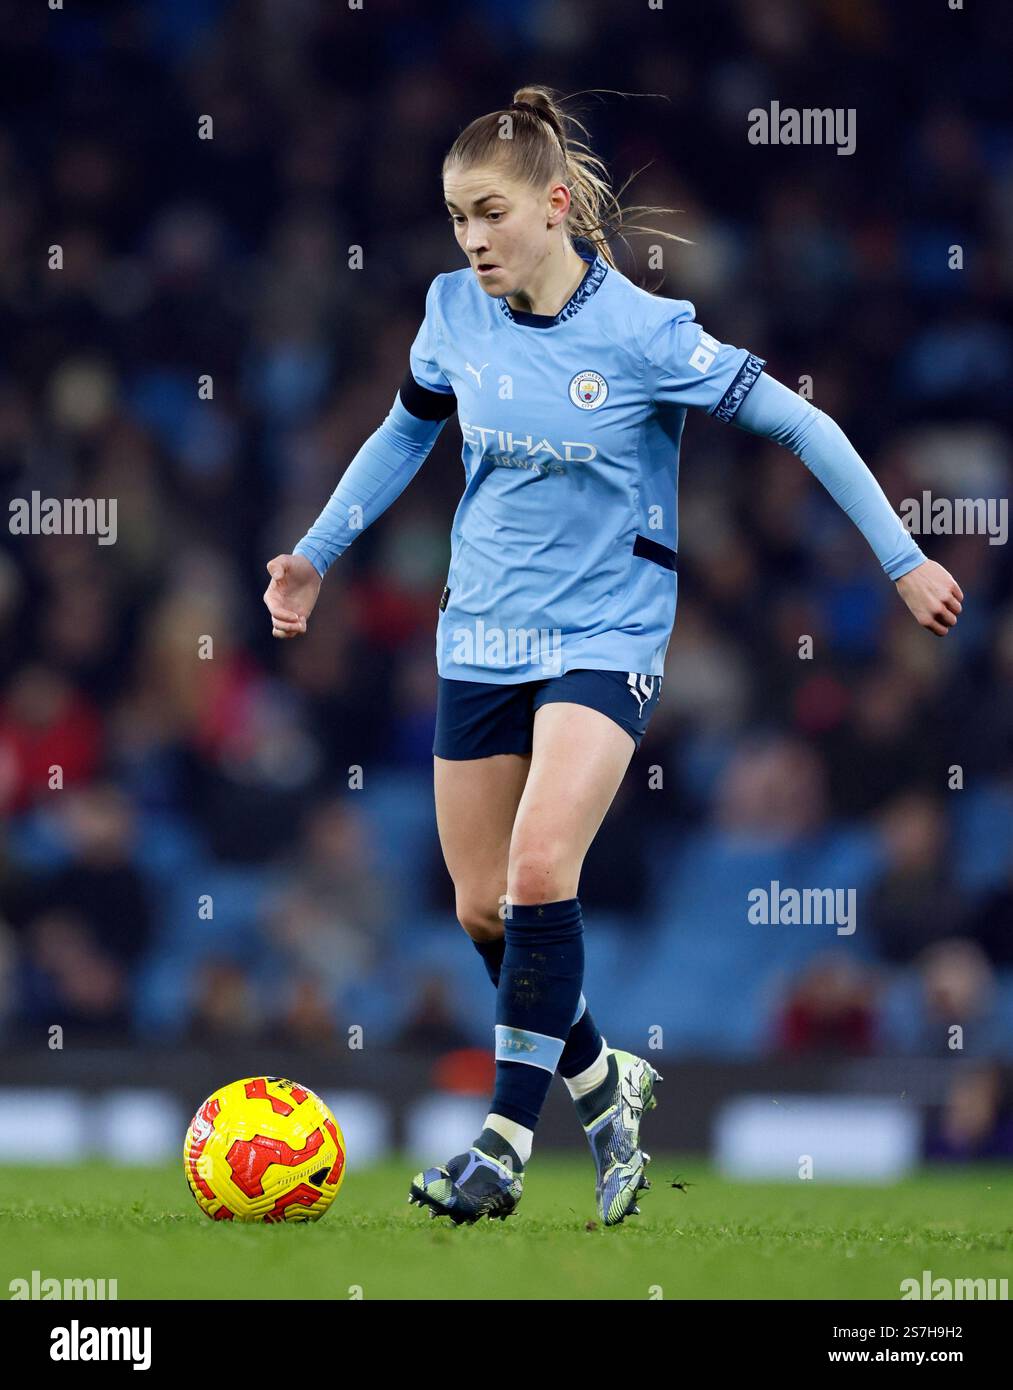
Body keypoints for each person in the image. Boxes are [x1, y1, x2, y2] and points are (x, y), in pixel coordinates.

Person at [263, 86, 963, 1227]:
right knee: (482, 909)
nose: (470, 238)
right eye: (453, 216)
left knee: (542, 872)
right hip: (478, 630)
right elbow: (405, 429)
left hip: (605, 633)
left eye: (487, 211)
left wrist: (899, 560)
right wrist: (315, 553)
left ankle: (497, 1143)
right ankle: (603, 1089)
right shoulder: (449, 311)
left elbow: (803, 423)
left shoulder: (645, 333)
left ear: (550, 205)